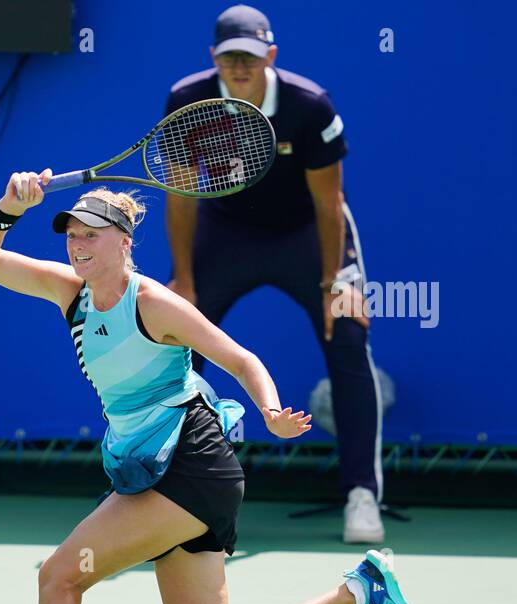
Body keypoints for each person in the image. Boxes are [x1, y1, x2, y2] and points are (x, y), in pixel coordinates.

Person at [0, 169, 421, 604]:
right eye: (72, 232)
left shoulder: (153, 304)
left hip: (191, 468)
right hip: (159, 472)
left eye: (93, 234)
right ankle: (359, 593)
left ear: (124, 242)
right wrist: (6, 207)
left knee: (59, 578)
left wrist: (271, 410)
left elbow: (239, 357)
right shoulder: (67, 291)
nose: (78, 243)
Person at [165, 4, 385, 544]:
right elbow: (180, 194)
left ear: (271, 56)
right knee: (174, 340)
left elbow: (329, 203)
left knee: (347, 336)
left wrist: (336, 283)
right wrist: (184, 280)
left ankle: (361, 493)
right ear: (214, 57)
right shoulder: (187, 101)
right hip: (226, 230)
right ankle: (162, 487)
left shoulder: (309, 105)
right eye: (231, 56)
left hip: (307, 234)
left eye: (252, 56)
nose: (241, 67)